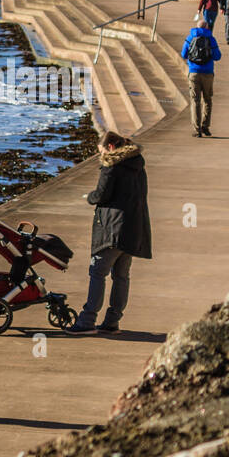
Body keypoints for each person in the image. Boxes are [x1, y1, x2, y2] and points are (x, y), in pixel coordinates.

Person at [68, 132, 152, 335]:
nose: (101, 155)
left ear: (111, 148)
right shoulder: (137, 164)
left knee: (97, 273)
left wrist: (90, 197)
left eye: (102, 151)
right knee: (121, 276)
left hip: (113, 229)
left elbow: (102, 194)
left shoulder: (111, 166)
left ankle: (87, 321)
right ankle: (112, 321)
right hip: (132, 229)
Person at [181, 20, 222, 136]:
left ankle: (197, 129)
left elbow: (183, 54)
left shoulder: (190, 38)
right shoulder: (211, 39)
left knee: (195, 101)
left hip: (194, 73)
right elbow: (217, 56)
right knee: (208, 100)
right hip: (208, 73)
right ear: (207, 27)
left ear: (196, 27)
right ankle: (205, 126)